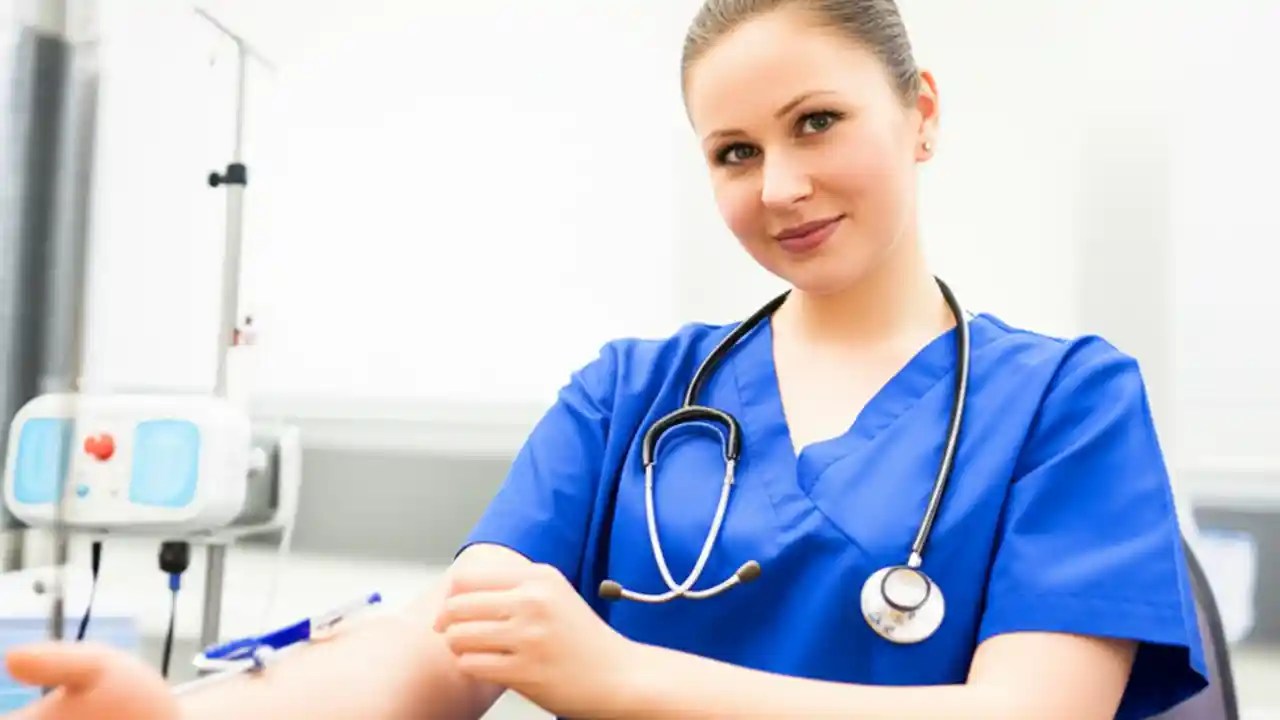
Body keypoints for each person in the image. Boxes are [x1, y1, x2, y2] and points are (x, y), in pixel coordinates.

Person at [4, 1, 1208, 718]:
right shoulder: (632, 394)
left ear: (922, 112)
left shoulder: (1066, 399)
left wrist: (619, 679)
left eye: (816, 122)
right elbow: (444, 645)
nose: (778, 185)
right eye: (731, 151)